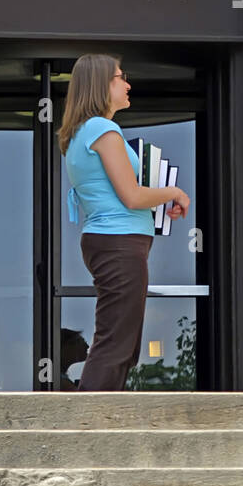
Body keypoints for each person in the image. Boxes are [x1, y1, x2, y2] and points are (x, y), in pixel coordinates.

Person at [59, 53, 190, 392]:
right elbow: (131, 196)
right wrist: (173, 191)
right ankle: (89, 425)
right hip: (118, 243)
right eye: (120, 77)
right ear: (101, 84)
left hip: (111, 242)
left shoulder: (80, 133)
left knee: (122, 344)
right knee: (116, 344)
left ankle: (101, 421)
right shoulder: (102, 129)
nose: (128, 83)